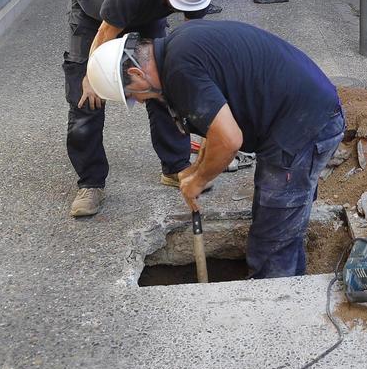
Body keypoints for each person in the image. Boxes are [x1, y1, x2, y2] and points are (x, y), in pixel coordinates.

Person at [85, 21, 344, 278]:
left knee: (273, 235)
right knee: (276, 218)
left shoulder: (180, 71)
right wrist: (195, 169)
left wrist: (199, 179)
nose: (139, 101)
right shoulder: (179, 47)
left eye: (132, 95)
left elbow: (229, 139)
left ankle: (273, 304)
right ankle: (289, 282)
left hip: (306, 124)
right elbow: (216, 121)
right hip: (295, 117)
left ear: (137, 74)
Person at [64, 0, 217, 218]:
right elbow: (106, 31)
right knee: (87, 98)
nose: (177, 7)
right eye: (174, 2)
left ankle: (175, 166)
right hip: (94, 15)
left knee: (164, 84)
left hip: (148, 14)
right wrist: (90, 74)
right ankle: (91, 183)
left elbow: (193, 36)